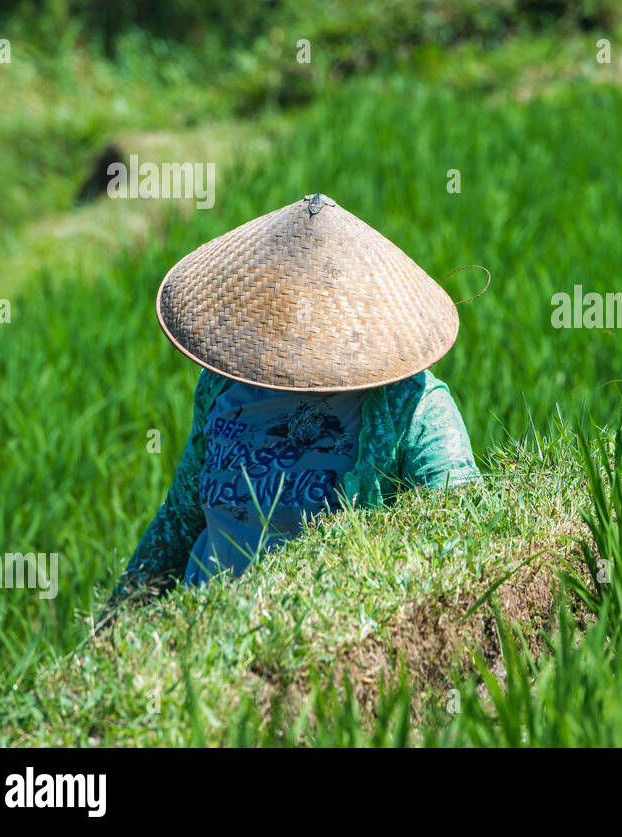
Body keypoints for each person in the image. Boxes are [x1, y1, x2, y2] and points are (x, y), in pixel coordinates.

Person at [107, 194, 480, 610]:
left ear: (358, 320)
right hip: (203, 629)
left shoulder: (415, 408)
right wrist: (113, 623)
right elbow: (182, 514)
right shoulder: (221, 385)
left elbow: (459, 538)